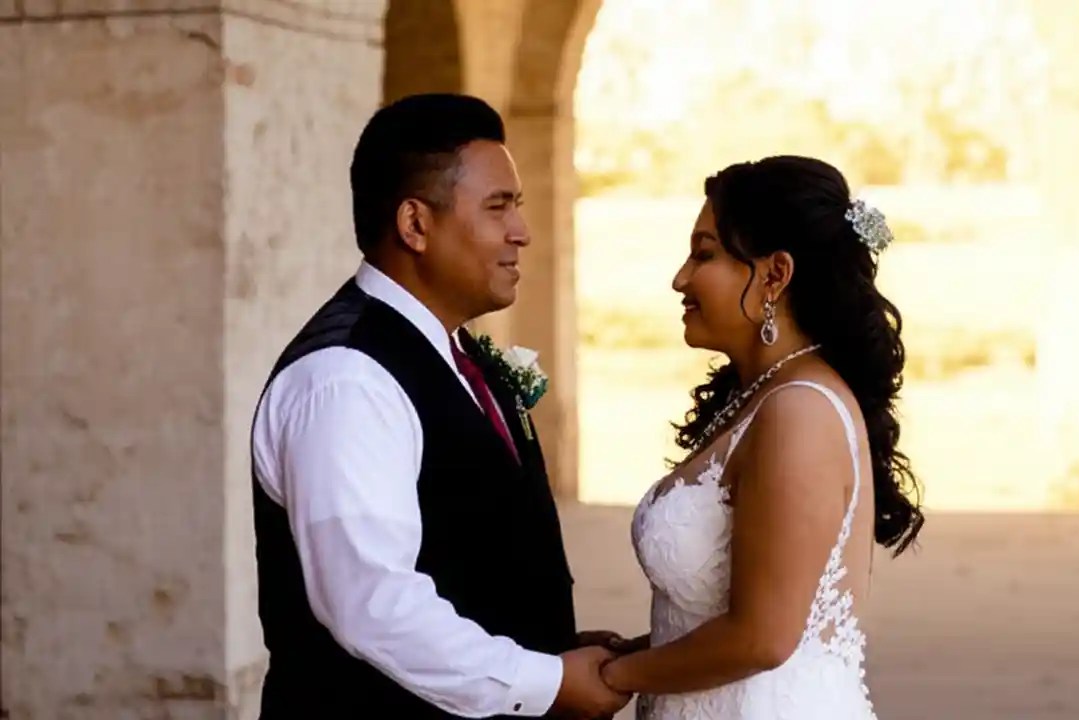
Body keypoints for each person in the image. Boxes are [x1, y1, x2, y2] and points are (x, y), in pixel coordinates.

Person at [249, 93, 630, 719]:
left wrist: (547, 651)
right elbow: (371, 604)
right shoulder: (347, 381)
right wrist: (545, 682)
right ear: (415, 225)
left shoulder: (452, 353)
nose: (522, 233)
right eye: (497, 207)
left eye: (519, 207)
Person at [605, 156, 925, 719]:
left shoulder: (799, 412)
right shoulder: (762, 396)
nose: (680, 278)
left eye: (704, 254)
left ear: (775, 275)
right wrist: (634, 652)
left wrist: (612, 677)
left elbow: (765, 637)